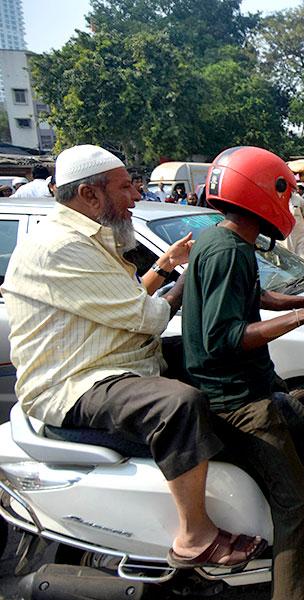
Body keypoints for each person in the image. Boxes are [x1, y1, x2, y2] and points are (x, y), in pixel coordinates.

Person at [1, 144, 265, 569]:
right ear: (90, 194)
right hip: (76, 384)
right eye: (126, 187)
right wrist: (187, 281)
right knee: (178, 405)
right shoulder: (62, 246)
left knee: (208, 355)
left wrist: (165, 266)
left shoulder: (86, 237)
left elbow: (122, 301)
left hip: (111, 362)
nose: (137, 195)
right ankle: (194, 536)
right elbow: (149, 316)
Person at [182, 147, 304, 599]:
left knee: (293, 414)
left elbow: (254, 298)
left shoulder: (219, 238)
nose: (289, 203)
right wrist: (302, 320)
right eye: (284, 192)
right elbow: (225, 335)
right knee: (296, 507)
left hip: (246, 390)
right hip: (238, 402)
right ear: (262, 192)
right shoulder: (229, 251)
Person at [279, 189, 304, 263]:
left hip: (301, 234)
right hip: (286, 236)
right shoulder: (277, 200)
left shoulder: (299, 199)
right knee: (288, 259)